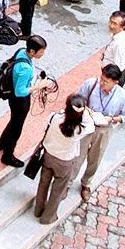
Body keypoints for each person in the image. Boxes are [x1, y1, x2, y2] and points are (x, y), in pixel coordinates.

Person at [71, 64, 125, 201]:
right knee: (77, 155)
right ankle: (68, 181)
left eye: (106, 81)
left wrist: (113, 119)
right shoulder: (91, 84)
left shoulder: (123, 97)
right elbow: (78, 99)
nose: (102, 83)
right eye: (102, 79)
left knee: (95, 158)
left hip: (104, 129)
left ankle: (86, 183)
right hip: (86, 125)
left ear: (115, 82)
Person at [34, 94, 94, 225]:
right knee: (57, 190)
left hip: (48, 156)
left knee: (43, 184)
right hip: (65, 162)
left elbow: (45, 128)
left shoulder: (54, 118)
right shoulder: (80, 129)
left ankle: (38, 210)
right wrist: (85, 112)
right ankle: (47, 217)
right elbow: (91, 125)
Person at [0, 35, 49, 167]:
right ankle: (7, 156)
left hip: (12, 97)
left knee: (13, 121)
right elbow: (20, 91)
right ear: (32, 51)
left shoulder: (21, 51)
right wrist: (39, 86)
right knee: (16, 128)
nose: (43, 54)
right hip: (19, 101)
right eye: (41, 51)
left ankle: (2, 143)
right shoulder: (25, 69)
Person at [101, 11, 125, 86]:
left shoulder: (119, 44)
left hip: (111, 77)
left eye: (115, 24)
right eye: (110, 21)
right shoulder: (120, 34)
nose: (111, 25)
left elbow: (117, 66)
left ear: (123, 27)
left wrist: (107, 81)